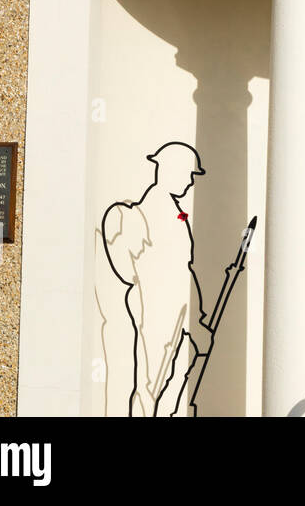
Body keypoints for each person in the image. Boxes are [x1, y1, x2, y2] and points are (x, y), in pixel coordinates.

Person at [101, 142, 214, 417]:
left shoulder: (176, 212)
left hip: (181, 309)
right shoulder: (142, 214)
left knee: (182, 369)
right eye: (187, 174)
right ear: (170, 170)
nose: (190, 181)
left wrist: (197, 316)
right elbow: (133, 268)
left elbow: (184, 268)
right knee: (152, 378)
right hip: (154, 307)